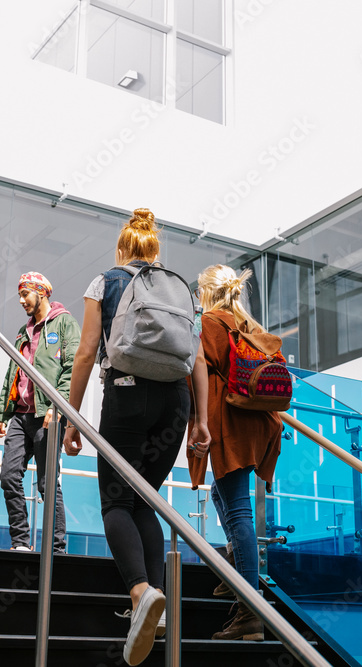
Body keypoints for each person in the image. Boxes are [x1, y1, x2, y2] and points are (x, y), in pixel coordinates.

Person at [62, 208, 210, 666]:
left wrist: (71, 418)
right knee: (144, 499)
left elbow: (86, 352)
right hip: (175, 403)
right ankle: (157, 605)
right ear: (155, 251)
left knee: (115, 502)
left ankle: (141, 591)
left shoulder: (104, 281)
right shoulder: (182, 289)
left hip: (126, 395)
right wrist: (200, 421)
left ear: (123, 248)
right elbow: (198, 361)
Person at [190, 264, 282, 642]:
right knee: (222, 494)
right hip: (259, 422)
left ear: (207, 293)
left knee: (238, 507)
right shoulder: (248, 325)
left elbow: (194, 369)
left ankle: (250, 612)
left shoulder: (209, 323)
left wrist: (199, 423)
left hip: (231, 423)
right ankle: (236, 564)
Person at [0, 271, 79, 553]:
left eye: (25, 294)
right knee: (8, 476)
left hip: (48, 415)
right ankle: (20, 542)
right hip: (20, 415)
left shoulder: (65, 322)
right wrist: (2, 414)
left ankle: (57, 549)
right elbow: (12, 373)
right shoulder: (23, 331)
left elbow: (72, 369)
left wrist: (58, 406)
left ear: (41, 292)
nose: (21, 300)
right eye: (19, 295)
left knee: (46, 483)